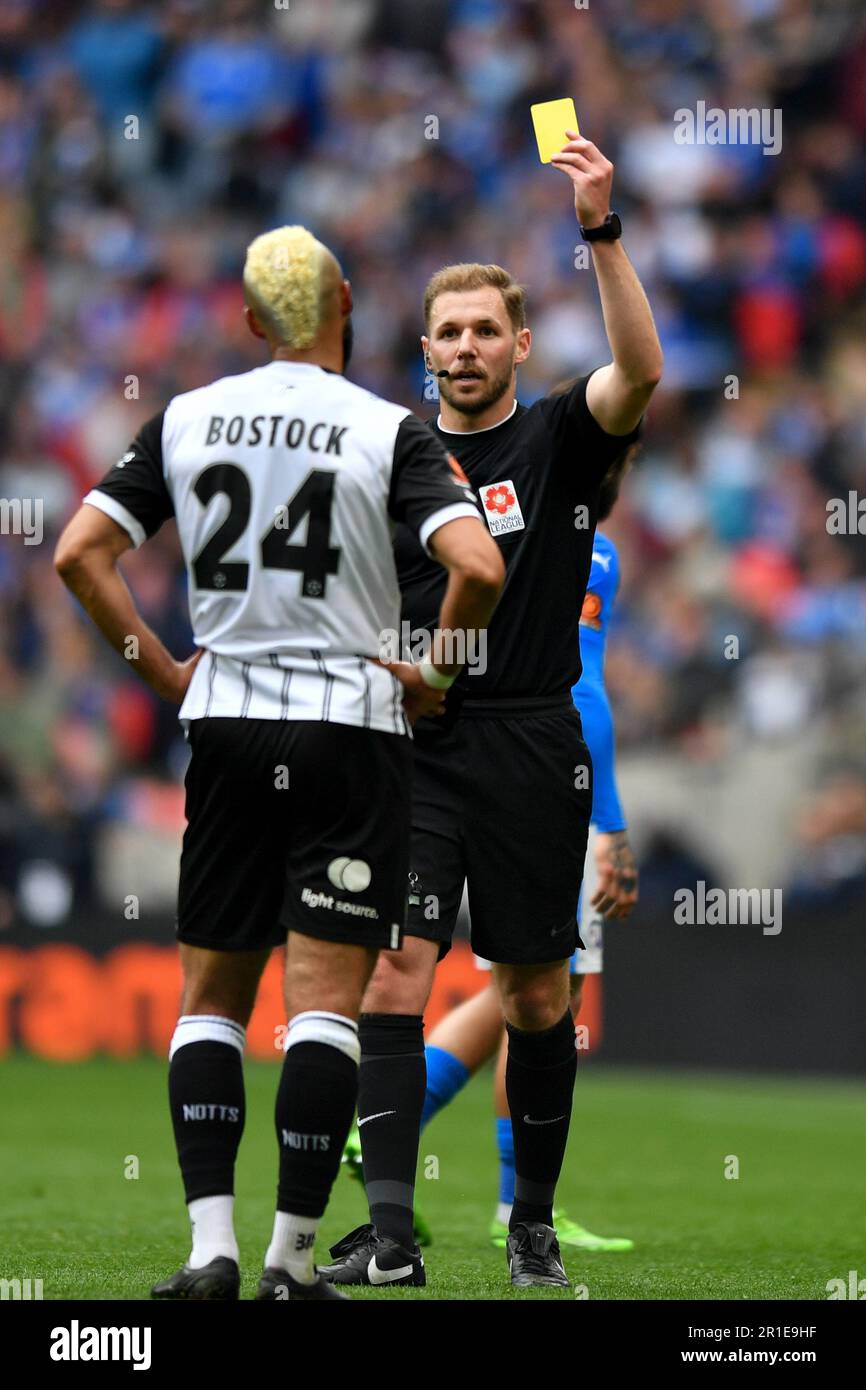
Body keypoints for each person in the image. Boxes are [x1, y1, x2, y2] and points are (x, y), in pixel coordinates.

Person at [54, 224, 504, 1301]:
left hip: (227, 723)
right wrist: (438, 672)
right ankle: (290, 1263)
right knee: (321, 1009)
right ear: (345, 302)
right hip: (349, 725)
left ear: (251, 322)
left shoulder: (186, 417)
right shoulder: (387, 428)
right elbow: (475, 565)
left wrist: (163, 672)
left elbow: (79, 553)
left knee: (208, 999)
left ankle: (209, 1250)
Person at [321, 133, 662, 1290]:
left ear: (518, 343)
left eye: (484, 331)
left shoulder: (561, 437)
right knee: (392, 974)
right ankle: (392, 1230)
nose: (463, 348)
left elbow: (642, 369)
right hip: (412, 746)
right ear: (422, 352)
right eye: (445, 332)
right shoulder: (385, 452)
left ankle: (530, 1226)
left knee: (532, 991)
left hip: (529, 738)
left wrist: (599, 228)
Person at [343, 441, 640, 1253]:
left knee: (512, 991)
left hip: (455, 758)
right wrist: (608, 820)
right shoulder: (589, 551)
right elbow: (583, 684)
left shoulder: (444, 521)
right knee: (548, 992)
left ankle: (425, 1163)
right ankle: (516, 1206)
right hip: (541, 775)